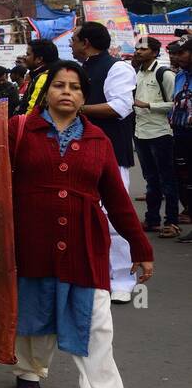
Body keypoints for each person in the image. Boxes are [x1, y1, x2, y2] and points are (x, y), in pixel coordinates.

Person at [8, 60, 154, 388]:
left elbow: (118, 200)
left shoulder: (97, 140)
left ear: (85, 96)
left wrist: (140, 246)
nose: (67, 92)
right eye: (59, 85)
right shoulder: (18, 131)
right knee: (33, 314)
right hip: (32, 245)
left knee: (96, 328)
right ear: (47, 92)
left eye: (75, 87)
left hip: (85, 248)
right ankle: (28, 371)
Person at [70, 22, 139, 303]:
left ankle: (123, 278)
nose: (72, 45)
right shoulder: (81, 69)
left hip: (110, 153)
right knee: (81, 214)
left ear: (86, 42)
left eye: (74, 40)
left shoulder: (117, 68)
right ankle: (95, 274)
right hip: (80, 152)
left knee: (113, 216)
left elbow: (120, 107)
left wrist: (77, 108)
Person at [131, 36, 180, 237]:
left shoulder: (164, 74)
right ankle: (152, 219)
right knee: (150, 179)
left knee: (167, 179)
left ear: (153, 51)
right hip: (141, 133)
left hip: (161, 133)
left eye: (142, 49)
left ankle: (172, 222)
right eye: (137, 49)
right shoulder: (138, 73)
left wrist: (149, 105)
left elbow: (176, 105)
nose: (138, 52)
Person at [169, 39, 192, 239]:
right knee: (184, 179)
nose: (177, 56)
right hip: (179, 134)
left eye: (182, 53)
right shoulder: (180, 76)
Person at [17, 39, 59, 115]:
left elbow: (32, 111)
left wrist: (20, 124)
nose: (24, 58)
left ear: (39, 59)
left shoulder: (43, 78)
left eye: (28, 54)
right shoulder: (45, 74)